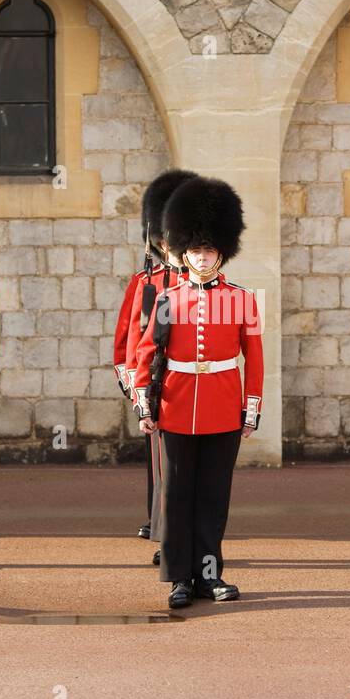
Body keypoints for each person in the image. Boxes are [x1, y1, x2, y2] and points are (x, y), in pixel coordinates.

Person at [132, 176, 263, 609]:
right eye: (194, 250)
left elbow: (254, 358)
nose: (201, 257)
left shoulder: (243, 299)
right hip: (176, 406)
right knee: (176, 496)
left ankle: (209, 575)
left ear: (220, 253)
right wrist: (143, 404)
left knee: (213, 497)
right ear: (183, 253)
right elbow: (145, 353)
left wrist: (252, 408)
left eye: (208, 250)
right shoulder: (167, 299)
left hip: (223, 407)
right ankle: (178, 578)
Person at [112, 169, 197, 557]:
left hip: (191, 387)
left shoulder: (201, 285)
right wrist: (138, 388)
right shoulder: (145, 283)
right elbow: (128, 341)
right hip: (158, 386)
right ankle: (166, 534)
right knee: (162, 470)